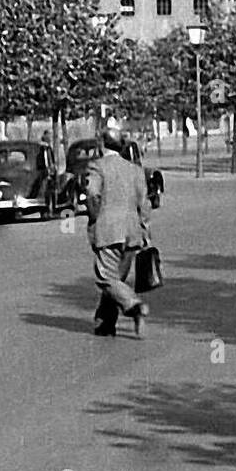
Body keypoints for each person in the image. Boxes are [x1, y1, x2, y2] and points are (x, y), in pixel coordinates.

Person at [87, 115, 153, 337]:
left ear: (102, 144)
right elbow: (144, 203)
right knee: (116, 280)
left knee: (106, 279)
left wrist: (95, 217)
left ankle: (135, 306)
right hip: (132, 233)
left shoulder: (97, 167)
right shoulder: (134, 170)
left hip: (108, 231)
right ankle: (105, 323)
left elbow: (92, 194)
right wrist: (145, 230)